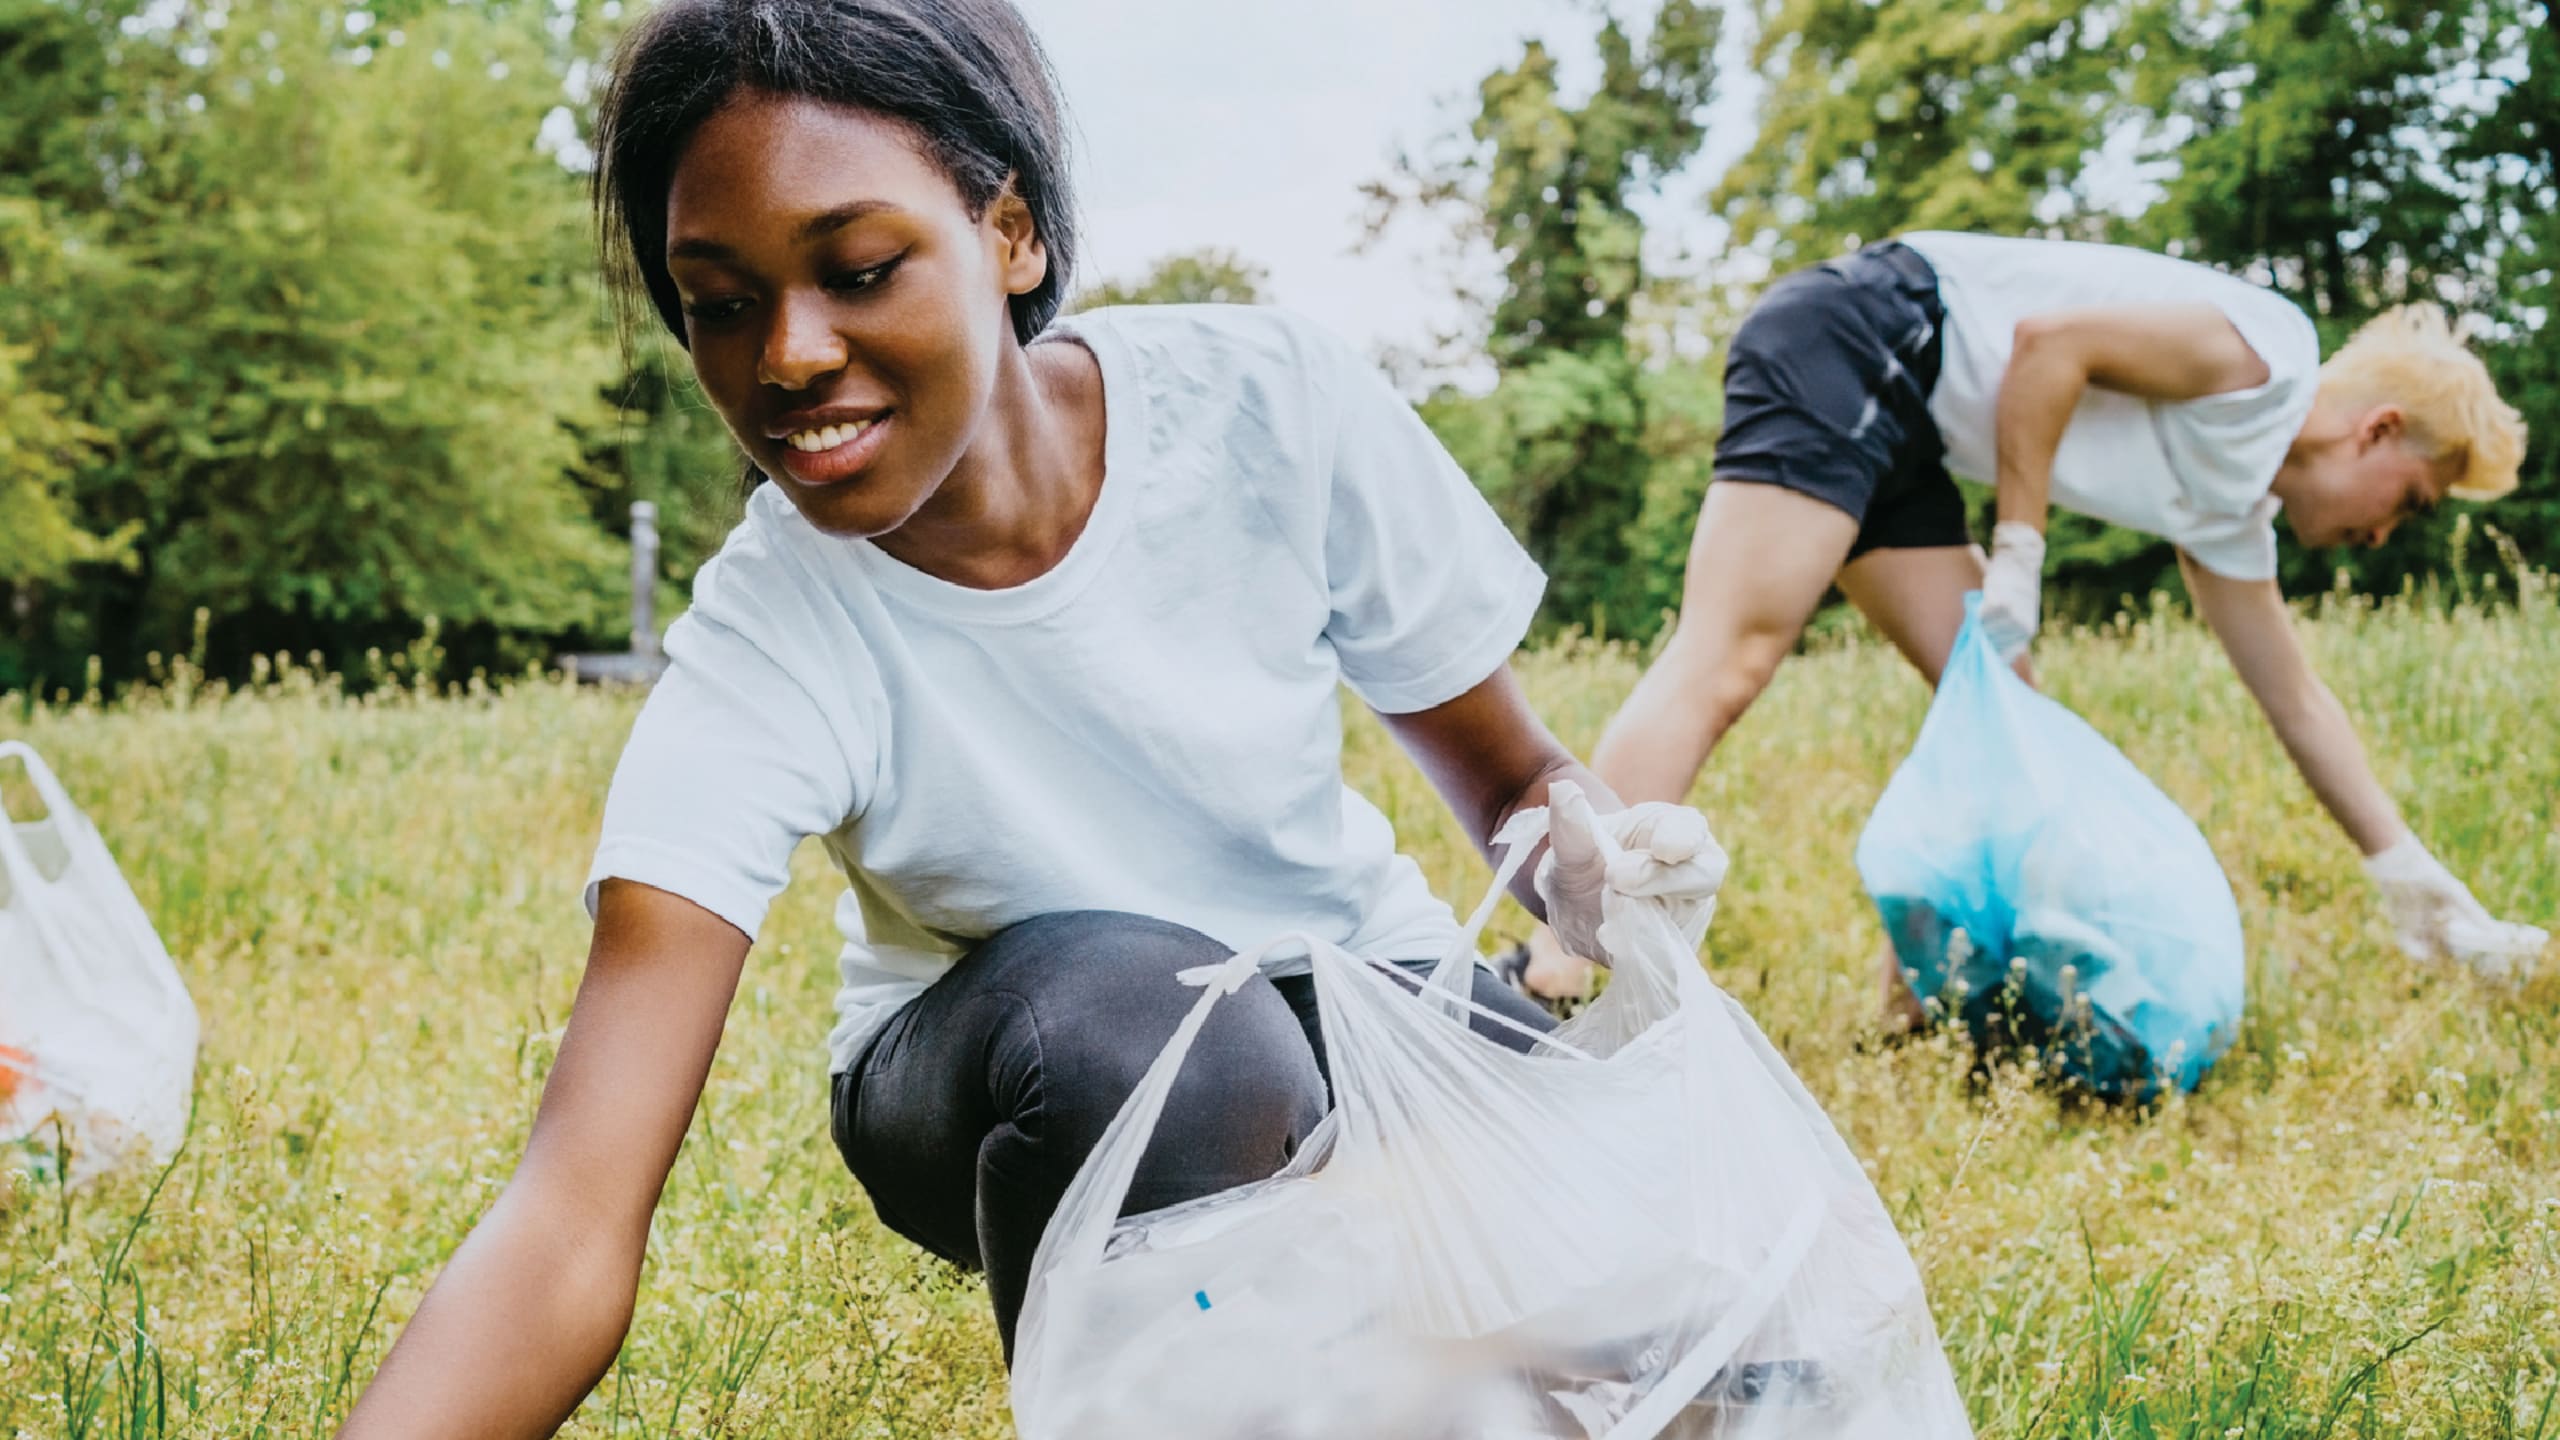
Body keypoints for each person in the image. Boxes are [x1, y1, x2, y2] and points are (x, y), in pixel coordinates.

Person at [335, 0, 1721, 1433]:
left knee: (1695, 1353)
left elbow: (1511, 781)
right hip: (1046, 1060)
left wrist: (1605, 880)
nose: (788, 356)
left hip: (1354, 1013)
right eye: (721, 303)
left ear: (1011, 234)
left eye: (861, 268)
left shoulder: (1267, 407)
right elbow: (571, 1214)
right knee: (1175, 1028)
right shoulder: (773, 632)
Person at [1508, 232, 2545, 1008]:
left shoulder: (2230, 511)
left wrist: (2407, 875)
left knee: (2005, 708)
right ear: (2378, 431)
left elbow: (2297, 700)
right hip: (1856, 334)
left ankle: (1909, 1008)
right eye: (2407, 503)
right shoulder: (2262, 359)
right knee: (1729, 654)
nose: (2382, 538)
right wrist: (2019, 550)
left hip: (1906, 419)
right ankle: (1553, 969)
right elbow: (2052, 348)